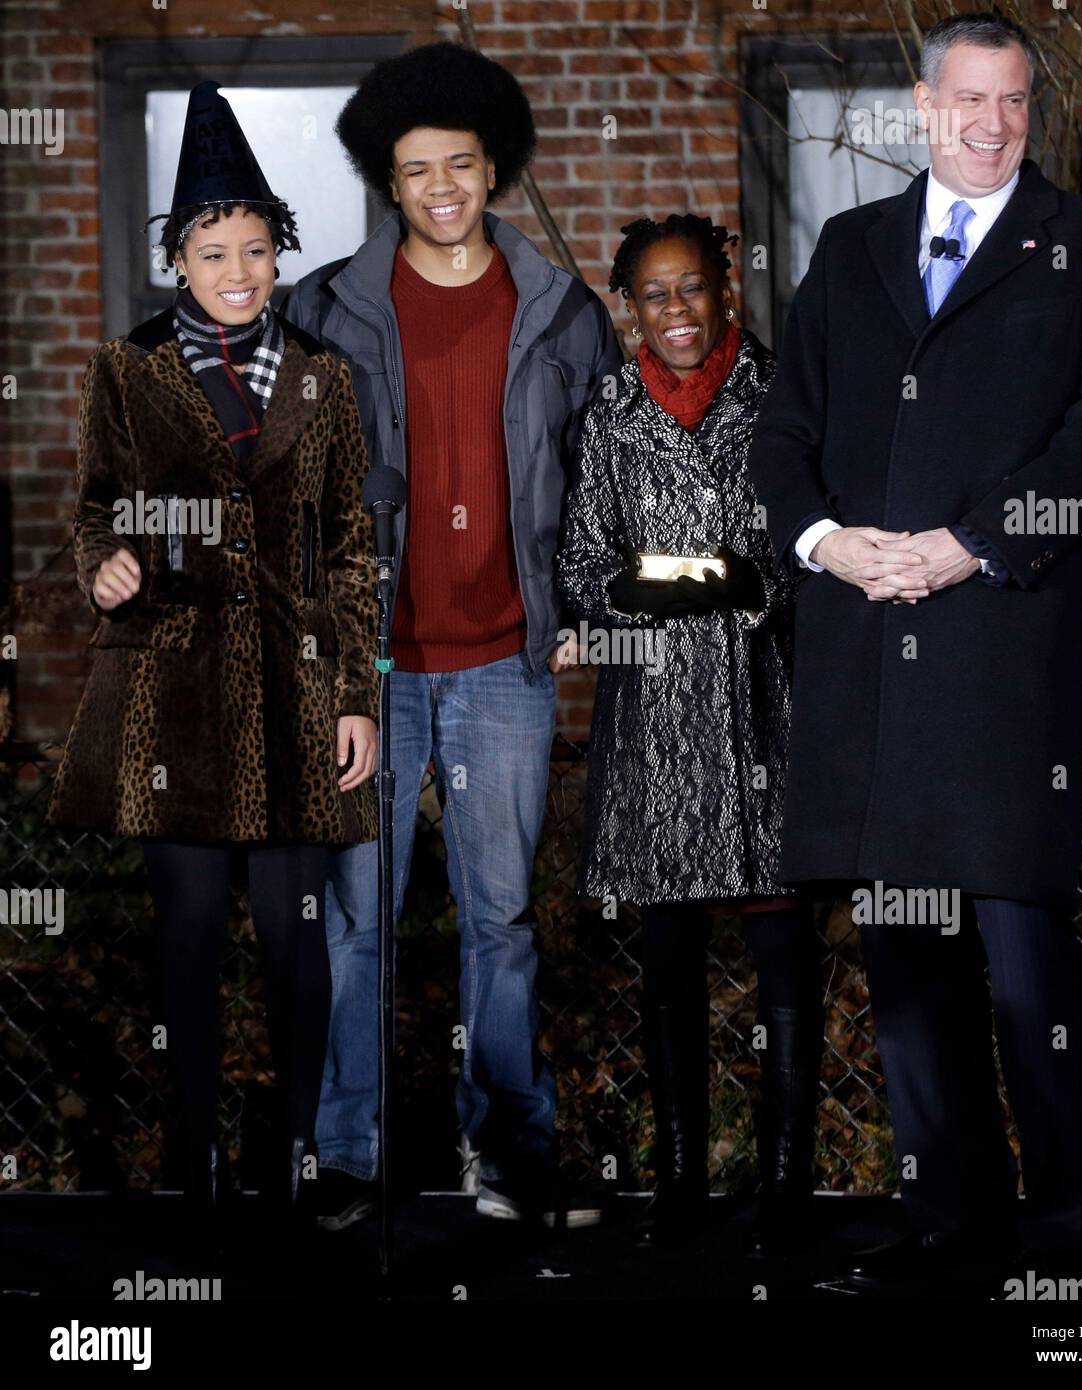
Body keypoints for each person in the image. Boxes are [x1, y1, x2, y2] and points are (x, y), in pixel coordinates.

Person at [747, 12, 1082, 1291]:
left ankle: (1073, 1227)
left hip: (999, 654)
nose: (993, 124)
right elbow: (782, 438)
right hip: (866, 655)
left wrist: (971, 544)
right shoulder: (852, 245)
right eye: (970, 100)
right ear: (923, 107)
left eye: (1016, 103)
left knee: (1024, 958)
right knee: (906, 961)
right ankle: (948, 1228)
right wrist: (823, 541)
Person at [283, 42, 622, 1231]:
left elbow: (602, 480)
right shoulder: (322, 309)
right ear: (389, 179)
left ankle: (511, 1156)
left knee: (502, 922)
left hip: (505, 663)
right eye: (417, 170)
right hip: (371, 674)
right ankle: (348, 1157)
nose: (441, 189)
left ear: (495, 171)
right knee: (359, 925)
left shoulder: (561, 312)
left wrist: (577, 608)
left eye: (462, 167)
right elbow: (289, 498)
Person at [46, 83, 380, 1251]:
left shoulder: (327, 381)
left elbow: (349, 548)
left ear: (279, 252)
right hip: (169, 702)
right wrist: (106, 566)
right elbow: (91, 512)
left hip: (293, 700)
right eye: (211, 250)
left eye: (254, 248)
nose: (237, 270)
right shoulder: (126, 372)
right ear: (176, 258)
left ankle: (290, 1161)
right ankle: (196, 1164)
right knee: (186, 944)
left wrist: (355, 698)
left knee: (296, 944)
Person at [557, 214, 824, 1258]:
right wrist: (711, 574)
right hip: (653, 723)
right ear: (630, 307)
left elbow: (798, 560)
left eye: (693, 289)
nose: (676, 311)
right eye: (654, 295)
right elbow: (587, 567)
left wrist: (679, 574)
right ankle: (678, 1190)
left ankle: (789, 1191)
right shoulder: (610, 414)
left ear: (728, 291)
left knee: (783, 961)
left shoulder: (782, 398)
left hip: (766, 712)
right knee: (667, 963)